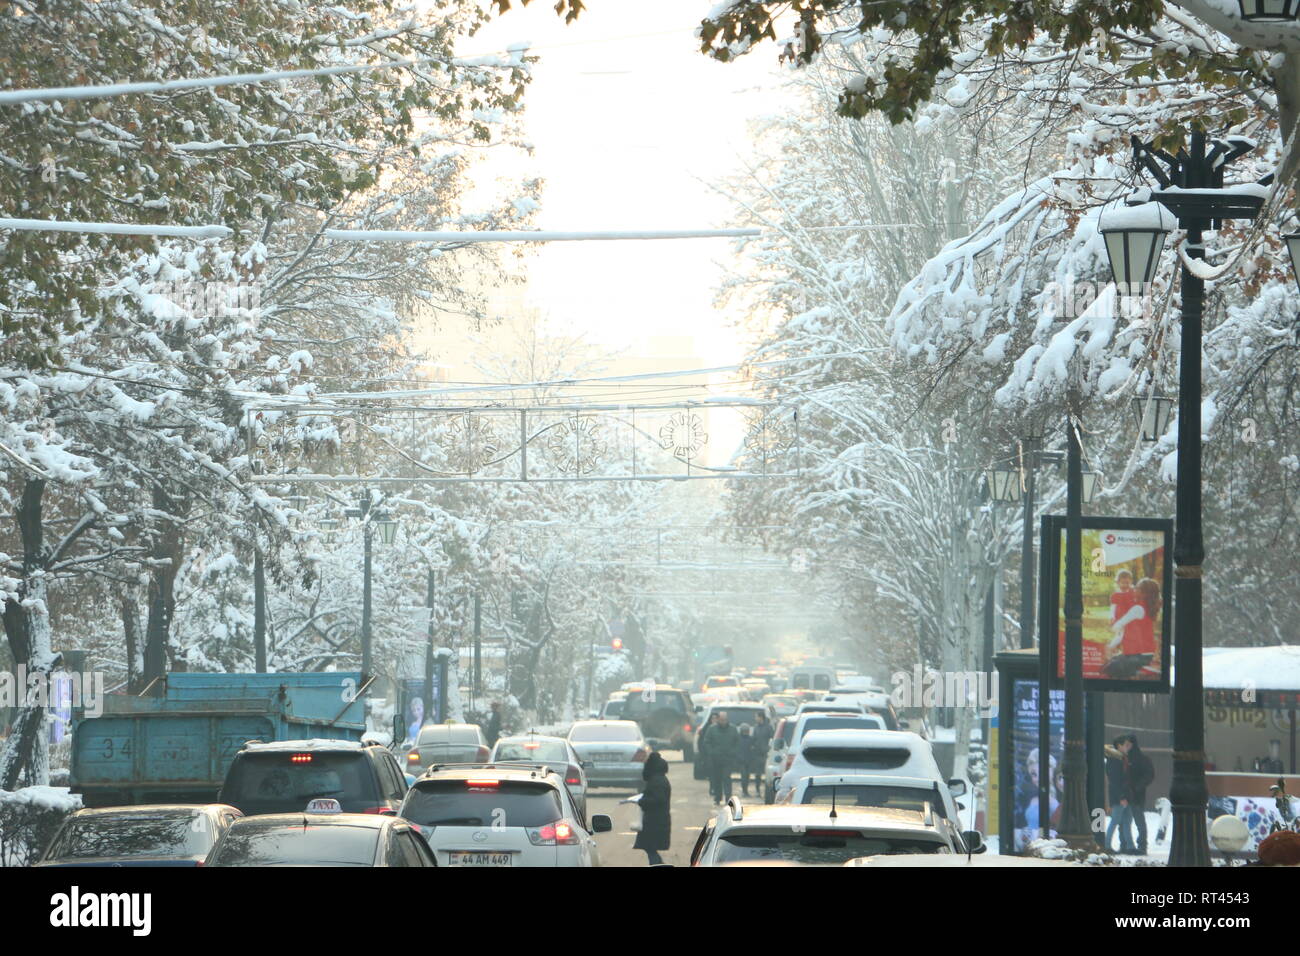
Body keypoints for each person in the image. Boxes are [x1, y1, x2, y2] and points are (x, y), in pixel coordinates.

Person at [633, 751, 671, 865]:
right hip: (656, 820)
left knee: (650, 848)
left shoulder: (657, 781)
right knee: (650, 848)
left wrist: (642, 801)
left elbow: (659, 799)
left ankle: (658, 864)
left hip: (655, 821)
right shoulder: (659, 778)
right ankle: (658, 864)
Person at [1120, 733, 1154, 854]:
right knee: (1124, 821)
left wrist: (1137, 787)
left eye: (1127, 744)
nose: (1125, 747)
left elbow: (1149, 775)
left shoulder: (1141, 759)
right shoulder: (1124, 759)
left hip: (1136, 795)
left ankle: (1141, 845)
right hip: (1126, 794)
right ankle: (1125, 844)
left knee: (1138, 820)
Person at [1104, 735, 1132, 853]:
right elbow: (1115, 781)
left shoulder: (1121, 759)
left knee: (1126, 821)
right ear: (1119, 746)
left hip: (1124, 796)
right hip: (1119, 796)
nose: (1128, 747)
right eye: (1126, 745)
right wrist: (1121, 797)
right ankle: (1107, 845)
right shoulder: (1115, 761)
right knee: (1116, 821)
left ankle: (1130, 846)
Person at [706, 711, 740, 805]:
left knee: (726, 778)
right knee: (717, 779)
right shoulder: (712, 729)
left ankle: (728, 798)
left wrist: (733, 752)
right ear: (718, 719)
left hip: (728, 759)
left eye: (724, 720)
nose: (723, 722)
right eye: (721, 720)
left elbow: (737, 742)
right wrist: (712, 752)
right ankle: (717, 797)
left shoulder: (732, 729)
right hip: (716, 759)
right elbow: (707, 741)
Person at [750, 711, 774, 795]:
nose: (755, 718)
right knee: (757, 774)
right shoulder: (756, 727)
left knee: (767, 774)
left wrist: (768, 748)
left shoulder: (768, 727)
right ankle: (757, 790)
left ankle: (768, 791)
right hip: (757, 754)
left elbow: (772, 739)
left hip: (766, 754)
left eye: (756, 717)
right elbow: (753, 738)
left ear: (761, 717)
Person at [737, 724, 756, 797]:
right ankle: (744, 791)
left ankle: (746, 791)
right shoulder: (738, 739)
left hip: (749, 760)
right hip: (741, 761)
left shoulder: (751, 739)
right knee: (743, 776)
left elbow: (753, 749)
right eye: (744, 731)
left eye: (747, 731)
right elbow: (737, 750)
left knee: (747, 777)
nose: (745, 732)